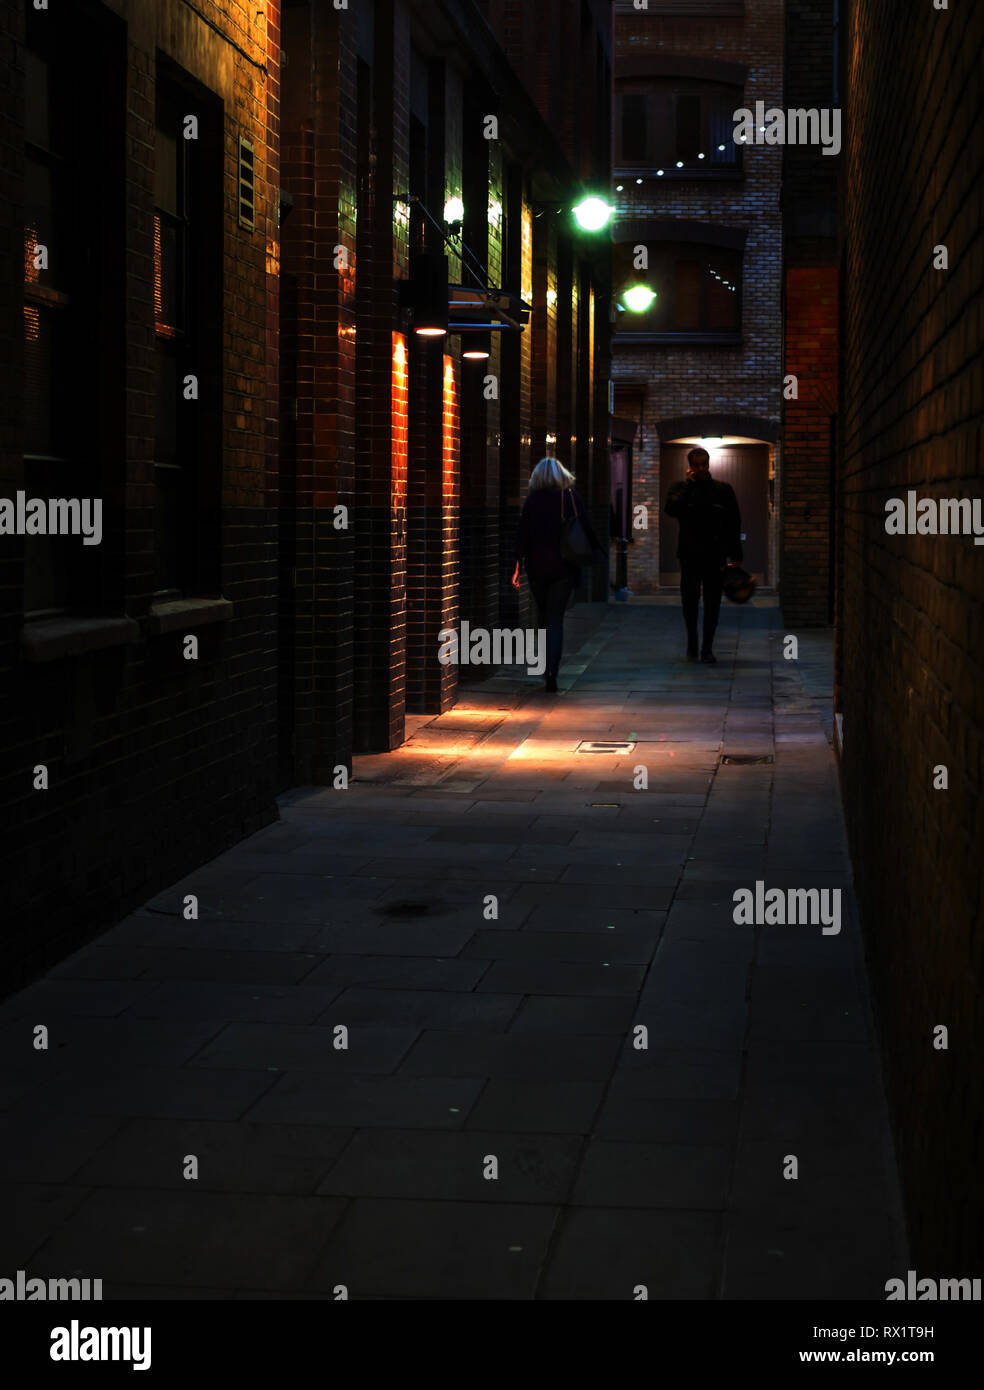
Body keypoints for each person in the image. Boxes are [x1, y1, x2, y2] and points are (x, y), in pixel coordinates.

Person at [511, 457, 603, 692]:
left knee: (542, 616)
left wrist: (516, 564)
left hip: (537, 567)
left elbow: (522, 535)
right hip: (564, 567)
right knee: (555, 619)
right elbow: (587, 528)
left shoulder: (532, 501)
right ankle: (552, 670)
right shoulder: (571, 497)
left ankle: (545, 667)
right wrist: (597, 552)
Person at [663, 446, 743, 664]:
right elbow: (671, 509)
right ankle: (692, 641)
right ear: (689, 466)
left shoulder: (722, 490)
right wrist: (689, 485)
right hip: (689, 553)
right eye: (696, 465)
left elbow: (733, 523)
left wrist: (736, 554)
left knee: (712, 601)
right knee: (689, 599)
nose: (700, 469)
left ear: (708, 464)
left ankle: (707, 647)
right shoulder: (680, 488)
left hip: (715, 554)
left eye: (703, 465)